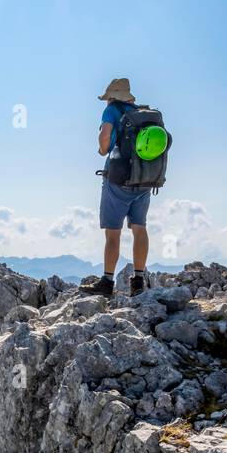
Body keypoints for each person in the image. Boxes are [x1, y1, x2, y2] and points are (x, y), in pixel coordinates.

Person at [92, 78, 149, 298]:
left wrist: (102, 148)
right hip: (143, 181)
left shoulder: (112, 110)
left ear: (112, 97)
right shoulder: (141, 113)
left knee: (113, 233)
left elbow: (105, 136)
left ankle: (107, 282)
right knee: (139, 228)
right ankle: (138, 280)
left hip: (118, 180)